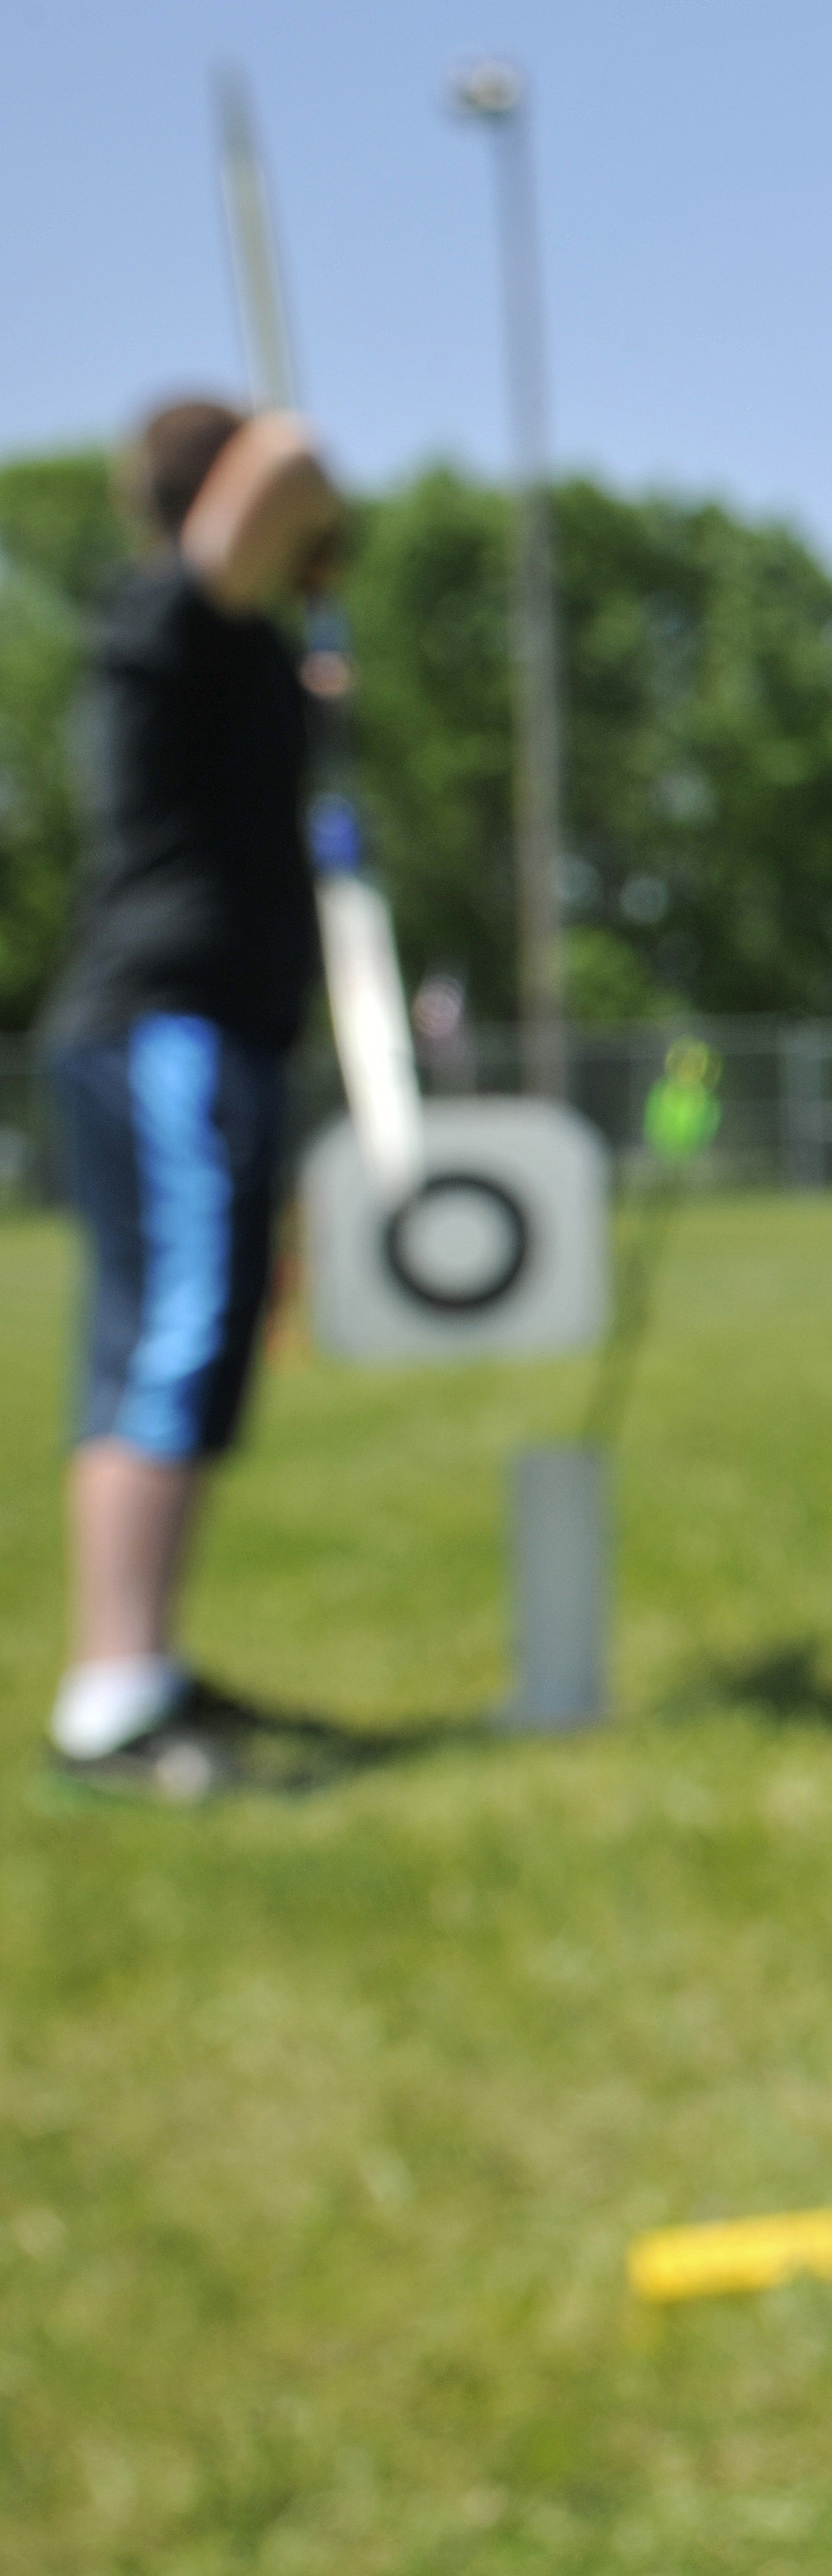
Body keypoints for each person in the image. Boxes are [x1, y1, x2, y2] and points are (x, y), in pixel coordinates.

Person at [42, 399, 347, 1798]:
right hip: (166, 1026)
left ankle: (146, 1665)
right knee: (169, 1340)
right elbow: (286, 455)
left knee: (195, 1339)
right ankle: (112, 1699)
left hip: (211, 1031)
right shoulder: (173, 608)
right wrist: (299, 485)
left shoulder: (235, 643)